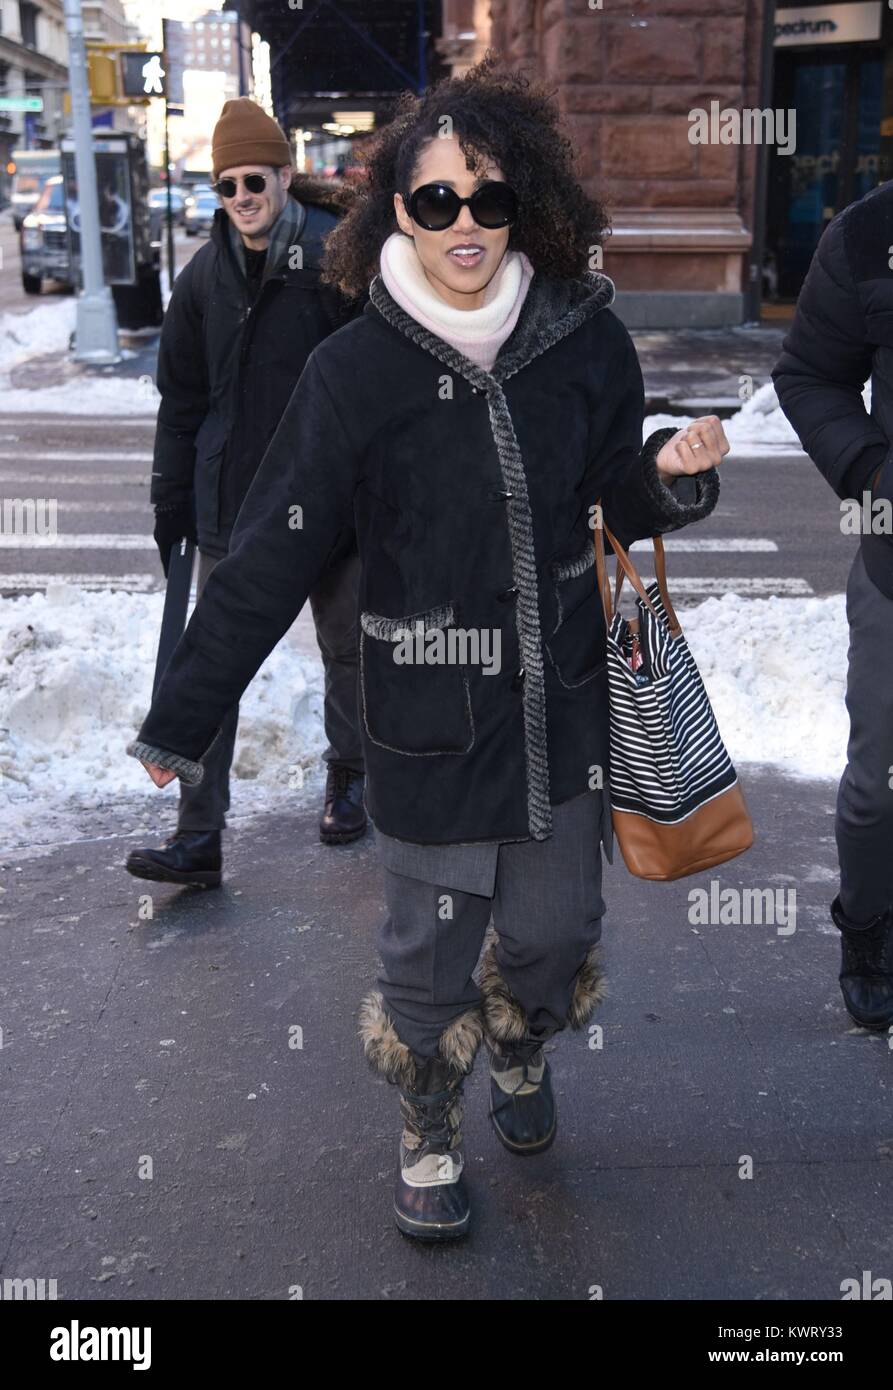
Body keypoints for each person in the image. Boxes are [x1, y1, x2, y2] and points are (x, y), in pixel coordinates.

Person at [127, 57, 728, 1240]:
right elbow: (270, 549)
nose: (464, 223)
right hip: (426, 717)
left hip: (557, 704)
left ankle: (518, 1048)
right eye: (436, 199)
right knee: (426, 962)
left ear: (527, 204)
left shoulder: (582, 343)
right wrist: (184, 712)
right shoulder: (353, 372)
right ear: (392, 208)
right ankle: (428, 1119)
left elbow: (613, 488)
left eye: (488, 198)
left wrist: (662, 475)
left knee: (556, 937)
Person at [126, 97, 367, 892]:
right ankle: (198, 836)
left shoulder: (337, 260)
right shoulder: (202, 276)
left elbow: (380, 383)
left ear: (285, 175)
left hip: (328, 503)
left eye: (253, 180)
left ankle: (349, 780)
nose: (241, 198)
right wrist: (171, 502)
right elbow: (182, 401)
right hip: (232, 502)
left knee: (347, 652)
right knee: (214, 662)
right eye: (225, 185)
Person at [773, 181, 893, 1033]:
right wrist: (872, 476)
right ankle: (867, 927)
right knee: (876, 786)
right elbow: (811, 374)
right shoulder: (867, 235)